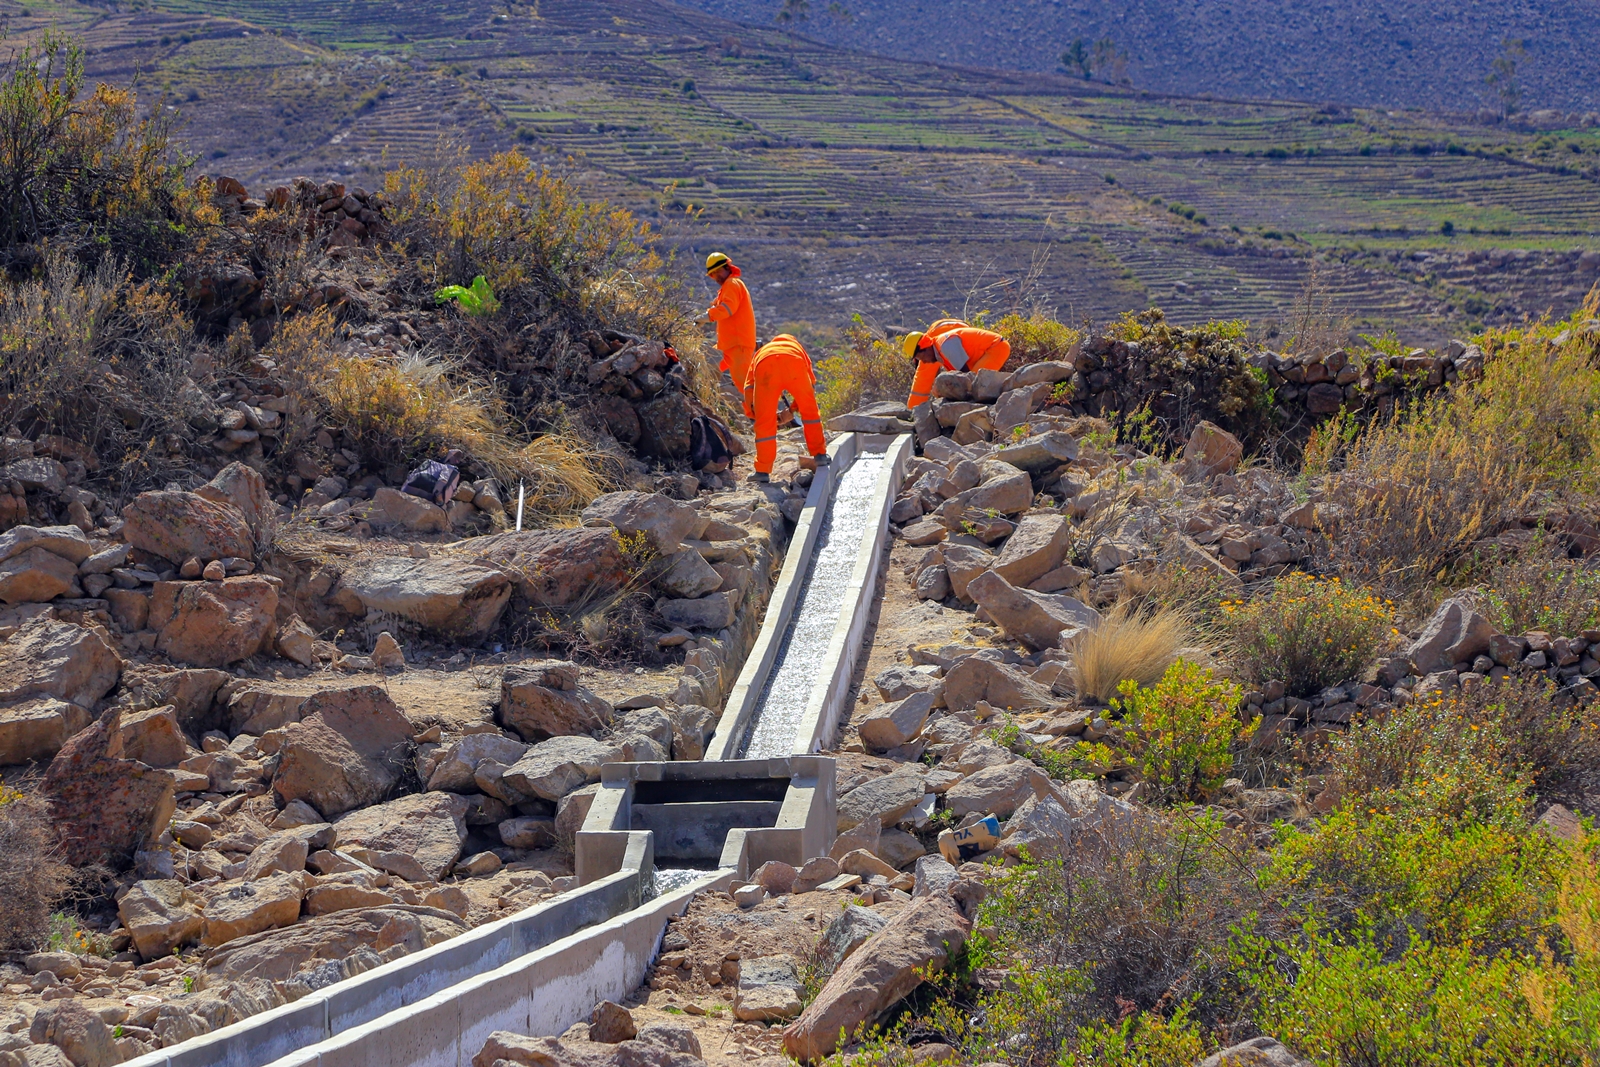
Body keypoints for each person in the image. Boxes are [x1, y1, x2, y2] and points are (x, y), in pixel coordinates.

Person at [744, 334, 829, 483]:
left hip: (766, 364)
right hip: (794, 363)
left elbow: (749, 386)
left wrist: (755, 412)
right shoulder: (797, 348)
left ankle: (762, 471)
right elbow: (811, 384)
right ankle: (820, 455)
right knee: (810, 413)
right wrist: (792, 410)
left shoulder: (763, 351)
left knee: (764, 423)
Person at [902, 321, 1012, 408]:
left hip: (996, 348)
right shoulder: (939, 352)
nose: (924, 362)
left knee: (974, 387)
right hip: (990, 350)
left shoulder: (946, 346)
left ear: (926, 348)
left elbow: (966, 376)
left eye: (922, 358)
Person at [698, 252, 757, 395]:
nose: (716, 276)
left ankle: (761, 414)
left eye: (718, 271)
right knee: (709, 366)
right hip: (729, 345)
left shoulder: (732, 284)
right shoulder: (727, 287)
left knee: (745, 385)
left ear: (727, 267)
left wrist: (706, 316)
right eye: (713, 274)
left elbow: (726, 309)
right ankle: (708, 397)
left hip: (738, 345)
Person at [400, 448, 465, 507]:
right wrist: (438, 496)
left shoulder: (430, 462)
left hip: (409, 488)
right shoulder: (449, 469)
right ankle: (439, 496)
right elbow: (442, 481)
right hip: (431, 494)